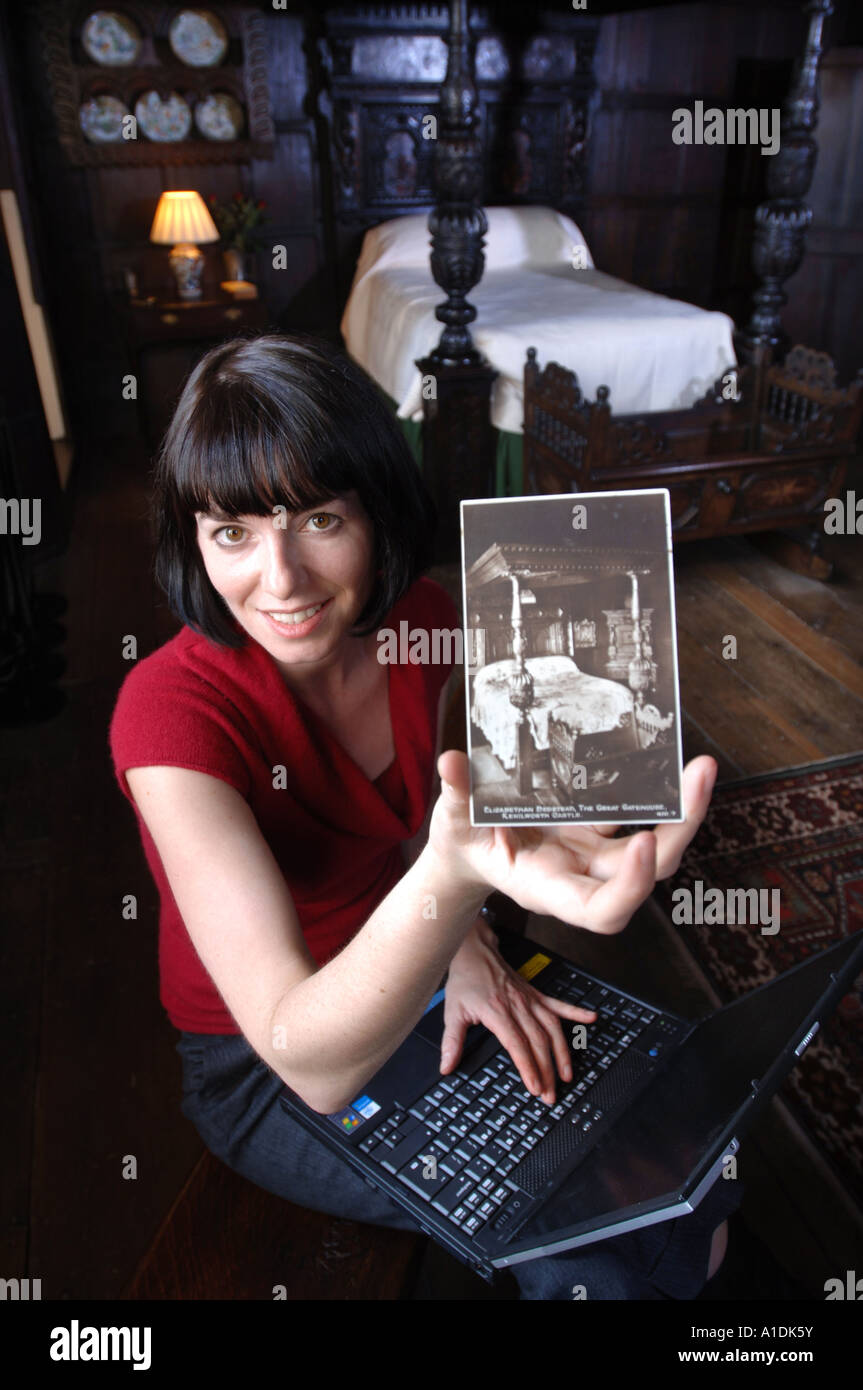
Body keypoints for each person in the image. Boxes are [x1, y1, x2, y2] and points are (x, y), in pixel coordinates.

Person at [109, 333, 739, 1300]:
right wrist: (453, 887)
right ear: (192, 540)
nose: (280, 582)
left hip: (426, 962)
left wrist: (465, 937)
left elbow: (427, 814)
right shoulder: (168, 714)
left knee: (682, 1128)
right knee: (579, 1241)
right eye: (231, 532)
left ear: (375, 512)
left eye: (318, 520)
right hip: (263, 1059)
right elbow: (305, 1055)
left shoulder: (432, 618)